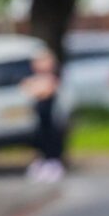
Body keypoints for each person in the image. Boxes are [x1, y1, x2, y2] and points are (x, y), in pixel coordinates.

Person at [23, 49, 66, 183]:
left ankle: (53, 165)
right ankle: (42, 164)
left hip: (50, 119)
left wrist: (39, 90)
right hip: (40, 119)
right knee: (40, 140)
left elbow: (46, 91)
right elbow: (27, 90)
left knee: (51, 140)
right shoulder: (35, 78)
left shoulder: (52, 78)